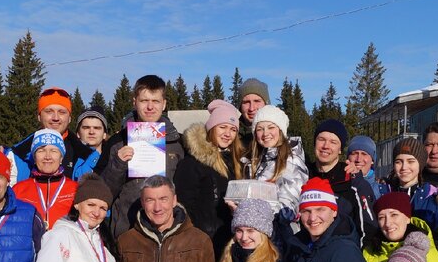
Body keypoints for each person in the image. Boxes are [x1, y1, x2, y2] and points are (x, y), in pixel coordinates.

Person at [100, 75, 186, 237]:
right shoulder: (117, 142)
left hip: (167, 233)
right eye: (144, 101)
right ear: (134, 102)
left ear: (164, 104)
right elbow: (103, 193)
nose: (150, 107)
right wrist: (118, 164)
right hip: (128, 230)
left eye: (155, 101)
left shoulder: (178, 143)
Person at [175, 99, 243, 250]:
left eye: (233, 130)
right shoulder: (193, 163)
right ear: (211, 128)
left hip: (230, 240)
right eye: (223, 127)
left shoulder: (235, 163)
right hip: (203, 242)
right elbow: (184, 204)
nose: (228, 134)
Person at [9, 87, 97, 181]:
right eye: (49, 111)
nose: (56, 118)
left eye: (62, 112)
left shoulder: (86, 155)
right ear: (39, 116)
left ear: (70, 118)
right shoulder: (17, 154)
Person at [308, 119, 375, 239]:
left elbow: (367, 229)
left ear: (340, 149)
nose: (326, 146)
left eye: (333, 142)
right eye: (321, 139)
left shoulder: (353, 181)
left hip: (341, 251)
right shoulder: (302, 175)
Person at [246, 104, 308, 219]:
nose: (265, 133)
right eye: (260, 129)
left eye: (271, 127)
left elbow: (288, 209)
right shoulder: (259, 159)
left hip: (280, 232)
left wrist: (248, 211)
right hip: (257, 230)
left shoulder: (291, 160)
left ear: (280, 130)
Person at [15, 129, 79, 230]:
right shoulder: (18, 190)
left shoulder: (75, 189)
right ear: (35, 157)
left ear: (61, 158)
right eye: (41, 150)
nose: (47, 156)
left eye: (53, 151)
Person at [386, 136, 438, 232]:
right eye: (399, 162)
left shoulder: (434, 198)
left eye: (411, 161)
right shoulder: (384, 193)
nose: (404, 167)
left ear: (420, 164)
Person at [238, 77, 270, 148]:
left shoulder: (278, 136)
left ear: (266, 104)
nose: (251, 108)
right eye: (246, 102)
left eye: (257, 101)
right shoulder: (230, 138)